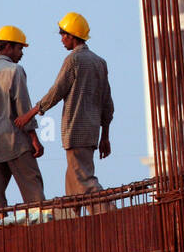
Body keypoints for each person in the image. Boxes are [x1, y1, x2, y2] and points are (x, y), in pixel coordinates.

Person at [14, 12, 113, 201]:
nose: (61, 39)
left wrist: (30, 113)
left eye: (62, 34)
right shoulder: (100, 62)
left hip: (76, 130)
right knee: (73, 185)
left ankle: (107, 213)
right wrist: (105, 136)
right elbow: (107, 103)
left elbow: (56, 91)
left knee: (84, 181)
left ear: (71, 36)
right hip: (92, 132)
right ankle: (74, 219)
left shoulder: (73, 60)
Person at [0, 26, 46, 212]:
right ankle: (40, 231)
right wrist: (34, 139)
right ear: (9, 47)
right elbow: (23, 108)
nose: (21, 54)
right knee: (34, 192)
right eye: (20, 48)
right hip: (15, 141)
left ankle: (1, 234)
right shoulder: (15, 70)